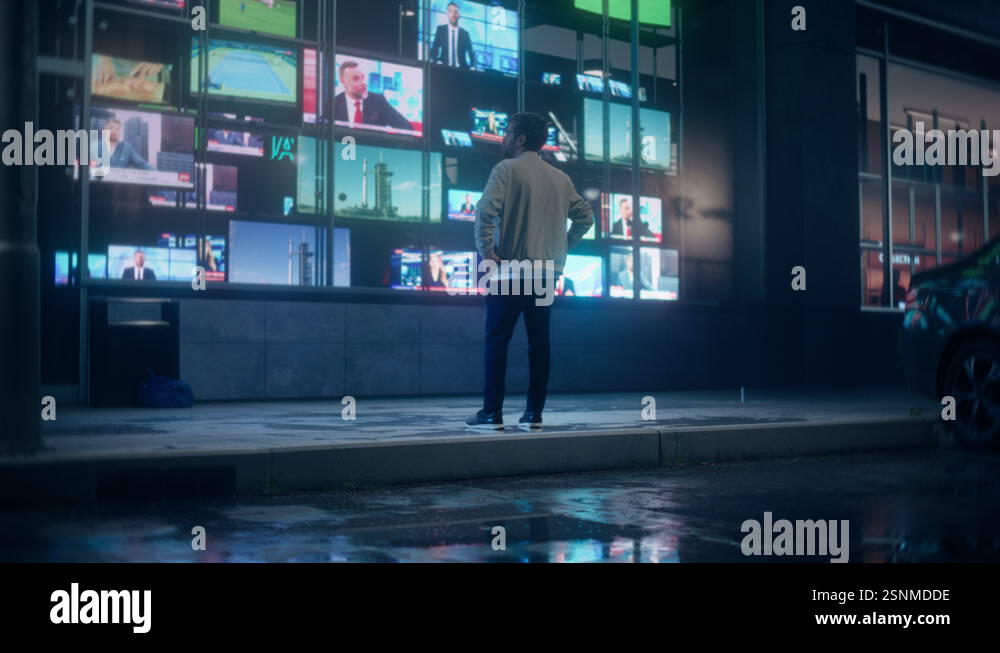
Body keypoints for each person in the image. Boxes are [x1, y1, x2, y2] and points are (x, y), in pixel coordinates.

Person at [466, 112, 594, 432]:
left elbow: (485, 211)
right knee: (540, 344)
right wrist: (562, 247)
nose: (504, 137)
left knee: (497, 341)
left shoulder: (506, 170)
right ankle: (534, 415)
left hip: (510, 270)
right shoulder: (560, 178)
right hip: (545, 273)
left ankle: (492, 415)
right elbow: (586, 217)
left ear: (521, 139)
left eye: (507, 131)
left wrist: (487, 252)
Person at [333, 61, 413, 131]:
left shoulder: (378, 101)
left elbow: (406, 127)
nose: (363, 83)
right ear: (343, 81)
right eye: (356, 79)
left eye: (363, 77)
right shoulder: (334, 103)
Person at [429, 2, 475, 70]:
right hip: (444, 68)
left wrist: (472, 67)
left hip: (461, 70)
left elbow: (471, 53)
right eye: (450, 11)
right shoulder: (441, 30)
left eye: (456, 12)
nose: (453, 14)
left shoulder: (465, 34)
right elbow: (434, 50)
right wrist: (437, 62)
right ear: (447, 14)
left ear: (459, 15)